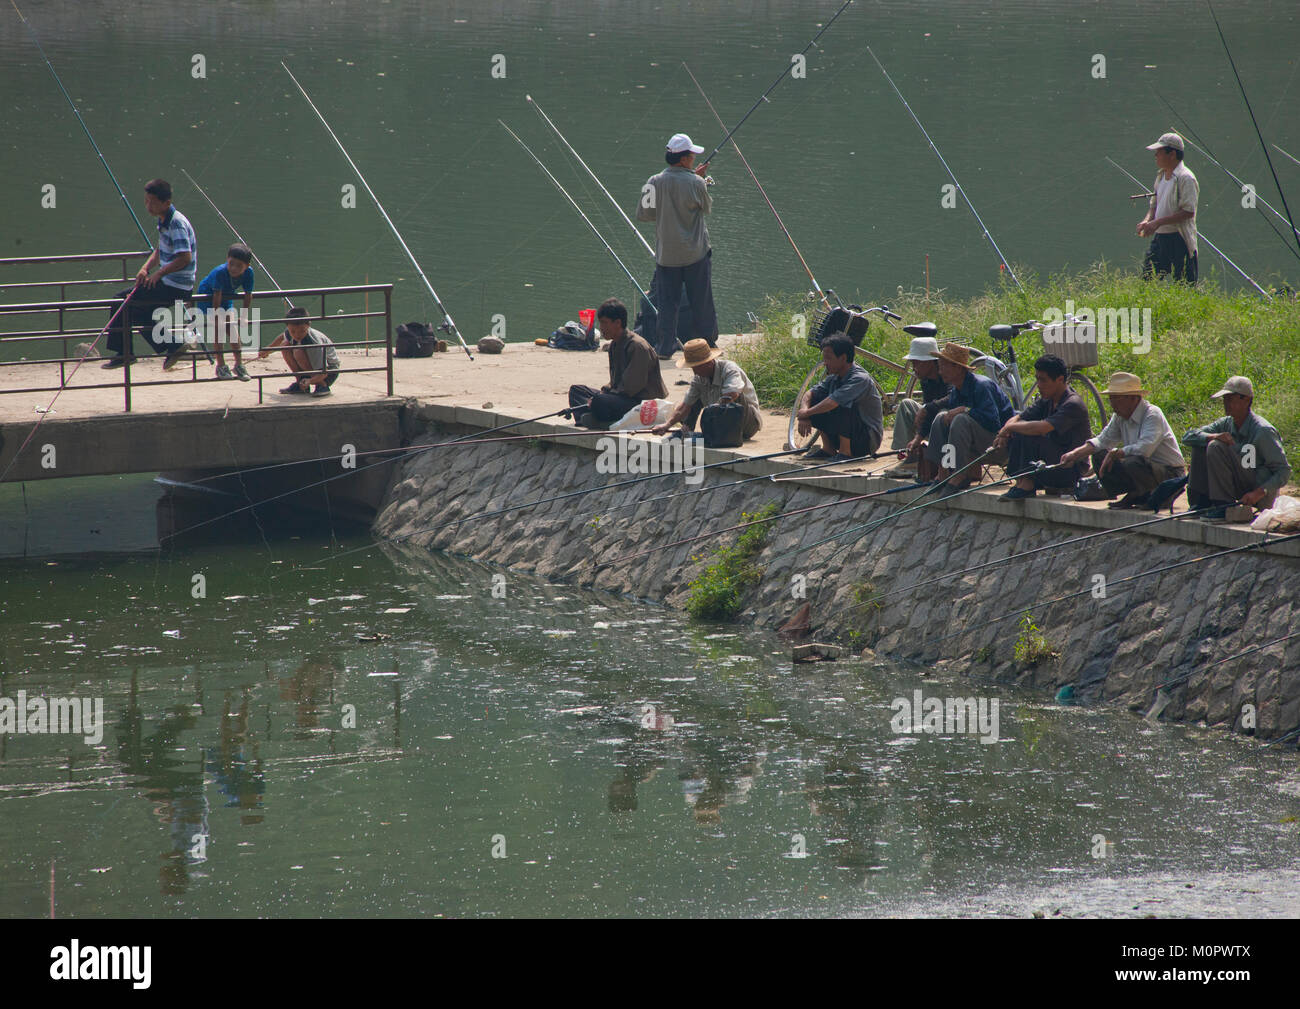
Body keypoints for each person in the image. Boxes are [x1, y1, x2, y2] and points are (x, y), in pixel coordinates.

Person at [635, 132, 719, 357]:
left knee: (667, 304)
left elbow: (644, 214)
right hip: (696, 253)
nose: (693, 159)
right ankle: (708, 345)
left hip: (667, 256)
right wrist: (699, 180)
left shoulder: (652, 182)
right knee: (701, 301)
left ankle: (664, 348)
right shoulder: (696, 182)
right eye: (691, 156)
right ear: (683, 159)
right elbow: (706, 208)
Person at [103, 178, 197, 369]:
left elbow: (184, 258)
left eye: (153, 203)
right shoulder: (164, 220)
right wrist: (145, 268)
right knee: (137, 311)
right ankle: (173, 345)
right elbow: (160, 250)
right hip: (168, 282)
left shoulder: (176, 224)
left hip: (176, 286)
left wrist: (158, 274)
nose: (148, 206)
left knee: (121, 300)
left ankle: (125, 354)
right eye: (146, 201)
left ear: (166, 203)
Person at [1058, 372, 1185, 508]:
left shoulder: (1152, 414)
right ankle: (1136, 493)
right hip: (1144, 469)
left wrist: (1117, 452)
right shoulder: (1119, 416)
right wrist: (1074, 454)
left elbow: (1144, 449)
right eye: (1111, 399)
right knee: (1100, 455)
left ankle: (1158, 495)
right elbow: (1102, 440)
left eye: (1116, 399)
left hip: (1170, 474)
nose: (1112, 404)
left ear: (1133, 398)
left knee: (1133, 460)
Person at [1183, 376, 1291, 520]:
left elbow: (1283, 471)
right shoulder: (1226, 423)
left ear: (1246, 400)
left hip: (1258, 491)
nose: (1225, 403)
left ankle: (1223, 506)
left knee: (1215, 447)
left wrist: (1259, 492)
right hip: (1238, 483)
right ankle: (1200, 503)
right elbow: (1188, 437)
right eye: (1224, 399)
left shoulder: (1263, 431)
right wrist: (1211, 436)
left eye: (1230, 399)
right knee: (1202, 442)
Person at [993, 354, 1092, 500]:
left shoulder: (1072, 404)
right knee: (1017, 429)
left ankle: (1027, 485)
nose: (1038, 384)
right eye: (1037, 379)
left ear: (1059, 380)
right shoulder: (1047, 399)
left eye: (1043, 380)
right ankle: (1022, 482)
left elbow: (1042, 428)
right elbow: (1019, 417)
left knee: (1026, 432)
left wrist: (1010, 428)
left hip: (1069, 469)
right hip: (1048, 464)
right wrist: (1004, 432)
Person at [918, 343, 1015, 491]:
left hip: (998, 446)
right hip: (973, 446)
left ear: (957, 367)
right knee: (941, 418)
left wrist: (966, 410)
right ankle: (943, 471)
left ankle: (960, 475)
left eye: (943, 366)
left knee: (960, 419)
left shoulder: (981, 386)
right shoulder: (957, 390)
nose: (940, 371)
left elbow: (993, 422)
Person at [567, 298, 667, 427]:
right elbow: (615, 382)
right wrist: (604, 392)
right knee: (577, 391)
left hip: (641, 402)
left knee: (600, 401)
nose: (602, 328)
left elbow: (631, 387)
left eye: (605, 323)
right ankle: (592, 418)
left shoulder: (637, 346)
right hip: (621, 396)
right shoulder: (614, 344)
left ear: (618, 323)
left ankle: (597, 419)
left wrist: (601, 397)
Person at [794, 333, 883, 462]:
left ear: (843, 358)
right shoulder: (834, 377)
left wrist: (806, 413)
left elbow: (832, 403)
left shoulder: (859, 379)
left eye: (828, 358)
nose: (825, 363)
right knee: (817, 398)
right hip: (844, 435)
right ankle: (828, 449)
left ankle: (845, 452)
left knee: (840, 402)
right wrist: (805, 413)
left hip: (865, 441)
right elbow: (809, 394)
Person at [651, 339, 762, 441]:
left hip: (747, 424)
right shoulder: (698, 379)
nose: (695, 372)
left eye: (697, 367)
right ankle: (687, 432)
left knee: (732, 396)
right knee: (693, 400)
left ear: (708, 363)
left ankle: (718, 435)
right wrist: (667, 425)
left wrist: (711, 411)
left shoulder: (729, 369)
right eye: (692, 367)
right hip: (721, 422)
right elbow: (685, 406)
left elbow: (732, 394)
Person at [1138, 132, 1198, 284]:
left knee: (1185, 284)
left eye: (1159, 152)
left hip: (1180, 238)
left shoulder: (1186, 178)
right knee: (1147, 280)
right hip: (1160, 237)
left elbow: (1188, 212)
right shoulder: (1161, 175)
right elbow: (1154, 204)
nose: (1156, 155)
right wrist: (1147, 221)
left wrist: (1157, 222)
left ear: (1172, 154)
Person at [886, 334, 949, 479]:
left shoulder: (946, 373)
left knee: (942, 413)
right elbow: (928, 410)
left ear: (930, 362)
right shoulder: (925, 379)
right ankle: (909, 455)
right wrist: (918, 435)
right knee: (906, 404)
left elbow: (953, 399)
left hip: (947, 420)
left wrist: (927, 408)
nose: (914, 368)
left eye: (917, 363)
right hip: (933, 419)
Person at [196, 243, 255, 380]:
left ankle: (239, 365)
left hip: (226, 296)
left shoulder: (249, 273)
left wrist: (244, 315)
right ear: (227, 259)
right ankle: (221, 366)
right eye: (231, 263)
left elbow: (248, 294)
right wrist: (216, 316)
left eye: (239, 266)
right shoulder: (220, 272)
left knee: (232, 329)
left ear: (246, 266)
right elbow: (216, 295)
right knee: (219, 330)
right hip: (209, 297)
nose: (234, 268)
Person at [257, 306, 339, 396]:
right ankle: (300, 382)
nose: (297, 335)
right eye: (293, 331)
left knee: (298, 351)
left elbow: (324, 371)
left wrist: (310, 381)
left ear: (308, 325)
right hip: (313, 368)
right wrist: (267, 350)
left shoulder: (315, 342)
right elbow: (282, 337)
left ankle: (322, 385)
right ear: (288, 327)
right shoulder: (289, 332)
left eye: (302, 331)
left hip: (328, 372)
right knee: (285, 345)